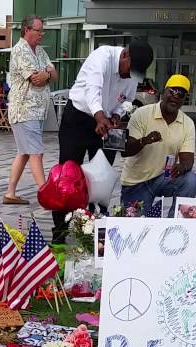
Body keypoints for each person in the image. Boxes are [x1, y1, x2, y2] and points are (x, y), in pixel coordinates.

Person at [51, 39, 153, 241]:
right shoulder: (101, 57)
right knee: (68, 176)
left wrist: (115, 117)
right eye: (127, 71)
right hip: (78, 119)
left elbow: (126, 101)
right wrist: (100, 116)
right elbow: (92, 91)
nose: (128, 77)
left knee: (102, 178)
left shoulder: (132, 73)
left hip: (105, 123)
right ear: (125, 55)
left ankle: (93, 230)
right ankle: (60, 232)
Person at [119, 74, 196, 218]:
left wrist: (182, 167)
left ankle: (174, 226)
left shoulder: (188, 123)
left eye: (181, 94)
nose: (175, 97)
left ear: (184, 100)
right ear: (163, 93)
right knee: (131, 229)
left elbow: (188, 159)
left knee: (191, 180)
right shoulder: (142, 114)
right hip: (137, 182)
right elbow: (124, 152)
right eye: (172, 92)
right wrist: (144, 140)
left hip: (163, 179)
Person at [3, 15, 56, 205]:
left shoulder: (40, 51)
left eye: (42, 31)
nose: (41, 34)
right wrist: (46, 73)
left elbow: (53, 73)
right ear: (27, 30)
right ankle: (45, 193)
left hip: (37, 110)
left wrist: (47, 74)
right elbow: (35, 79)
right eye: (38, 30)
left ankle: (10, 193)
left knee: (24, 152)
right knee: (36, 151)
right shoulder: (20, 50)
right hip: (24, 110)